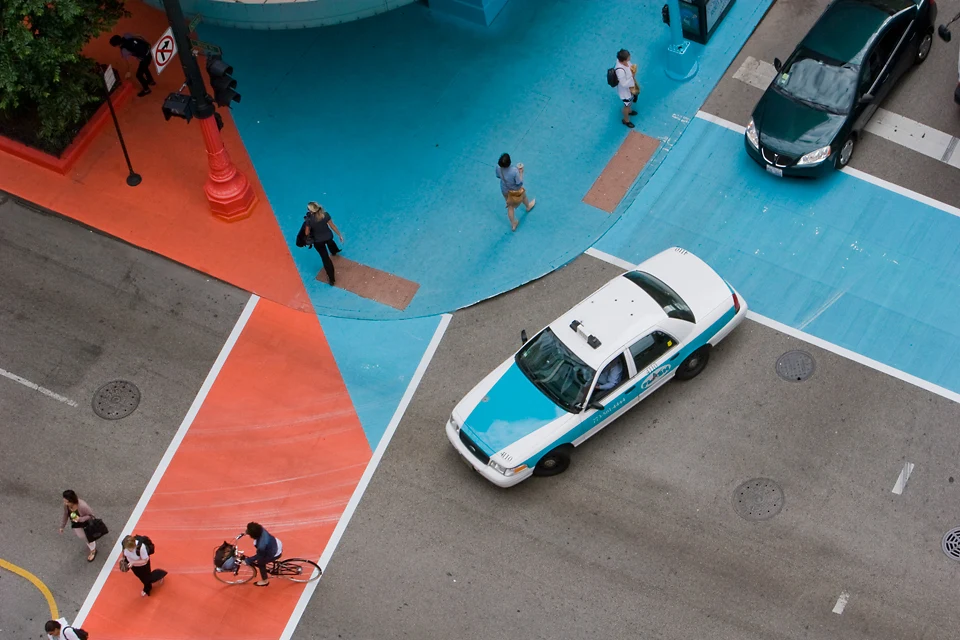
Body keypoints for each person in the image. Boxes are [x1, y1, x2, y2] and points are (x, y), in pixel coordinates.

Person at [304, 202, 344, 286]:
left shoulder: (309, 220)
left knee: (325, 258)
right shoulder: (325, 215)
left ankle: (332, 279)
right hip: (328, 236)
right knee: (330, 242)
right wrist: (339, 234)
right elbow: (332, 226)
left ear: (311, 211)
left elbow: (307, 232)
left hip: (318, 241)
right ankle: (334, 251)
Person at [495, 153, 536, 232]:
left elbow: (498, 176)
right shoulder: (514, 171)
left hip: (504, 190)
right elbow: (519, 182)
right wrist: (521, 172)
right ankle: (528, 206)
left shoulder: (498, 168)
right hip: (515, 191)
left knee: (510, 206)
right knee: (523, 196)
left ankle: (513, 224)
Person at [60, 490, 97, 562]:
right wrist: (62, 526)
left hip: (86, 523)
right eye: (64, 501)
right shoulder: (66, 506)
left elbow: (91, 515)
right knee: (82, 536)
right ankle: (91, 544)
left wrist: (80, 519)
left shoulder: (83, 506)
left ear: (72, 500)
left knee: (88, 537)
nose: (65, 503)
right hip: (76, 524)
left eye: (67, 502)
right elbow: (65, 514)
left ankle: (93, 549)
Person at [244, 521, 282, 586]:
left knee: (260, 563)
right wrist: (247, 532)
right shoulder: (261, 529)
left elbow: (259, 555)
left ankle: (265, 581)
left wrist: (248, 560)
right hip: (276, 543)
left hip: (274, 551)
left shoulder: (261, 545)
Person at [614, 49, 638, 128]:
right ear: (624, 60)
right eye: (628, 58)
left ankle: (629, 111)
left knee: (630, 102)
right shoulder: (620, 71)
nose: (630, 58)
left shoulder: (624, 62)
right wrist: (632, 75)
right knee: (626, 105)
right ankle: (626, 120)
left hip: (630, 88)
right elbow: (623, 84)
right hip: (625, 91)